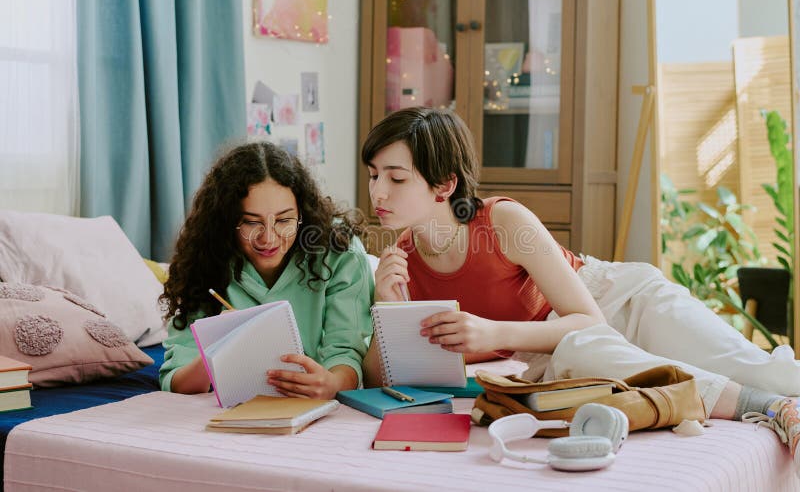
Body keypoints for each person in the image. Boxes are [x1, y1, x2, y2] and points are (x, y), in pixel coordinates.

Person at [361, 106, 800, 474]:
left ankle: (773, 396)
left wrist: (494, 334)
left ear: (445, 185)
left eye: (396, 178)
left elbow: (589, 316)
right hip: (566, 349)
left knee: (769, 373)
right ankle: (771, 408)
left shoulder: (502, 221)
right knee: (583, 353)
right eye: (374, 174)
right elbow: (382, 376)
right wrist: (387, 306)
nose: (378, 192)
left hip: (621, 301)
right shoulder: (401, 259)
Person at [160, 141, 373, 400]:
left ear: (302, 214)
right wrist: (218, 350)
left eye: (284, 220)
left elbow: (347, 351)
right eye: (251, 222)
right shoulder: (204, 258)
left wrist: (331, 384)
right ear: (228, 220)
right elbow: (176, 379)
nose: (269, 239)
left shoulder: (340, 250)